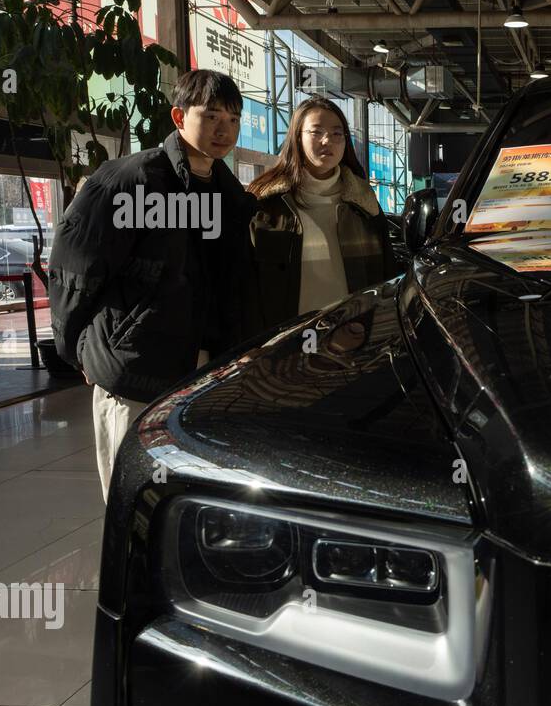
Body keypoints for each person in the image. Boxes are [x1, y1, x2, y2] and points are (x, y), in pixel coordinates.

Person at [48, 69, 257, 501]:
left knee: (187, 497)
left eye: (233, 119)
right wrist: (77, 350)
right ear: (179, 117)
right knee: (133, 493)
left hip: (204, 370)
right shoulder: (131, 181)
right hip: (135, 368)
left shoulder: (230, 195)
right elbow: (74, 269)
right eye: (212, 116)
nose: (224, 129)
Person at [245, 97, 395, 331]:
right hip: (285, 339)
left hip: (352, 335)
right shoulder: (266, 204)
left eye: (337, 134)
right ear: (297, 137)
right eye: (316, 132)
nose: (327, 140)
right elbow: (246, 284)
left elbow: (386, 277)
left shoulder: (364, 203)